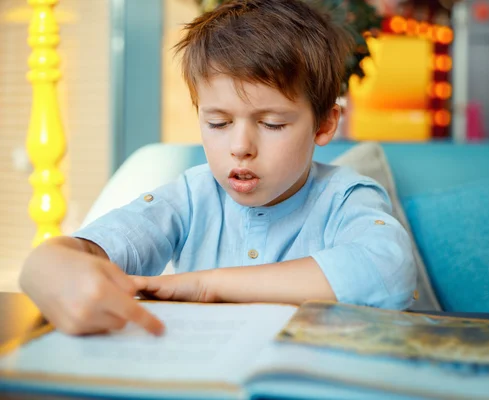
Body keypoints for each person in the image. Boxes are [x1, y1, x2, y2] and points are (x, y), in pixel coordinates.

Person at [19, 0, 416, 336]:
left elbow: (389, 270)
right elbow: (92, 249)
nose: (240, 147)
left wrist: (207, 285)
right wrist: (44, 265)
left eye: (272, 123)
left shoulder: (346, 196)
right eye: (218, 123)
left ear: (325, 123)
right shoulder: (191, 196)